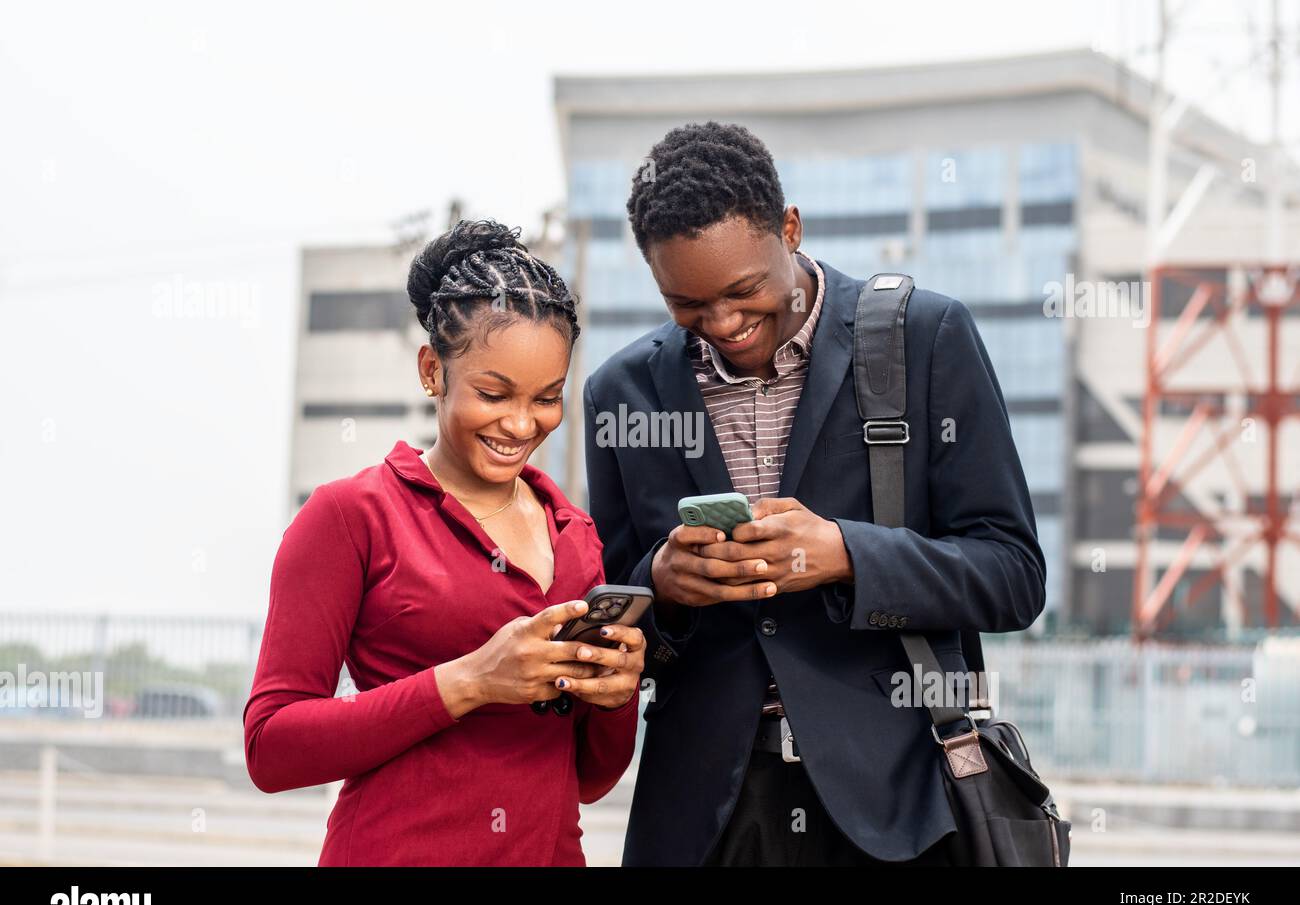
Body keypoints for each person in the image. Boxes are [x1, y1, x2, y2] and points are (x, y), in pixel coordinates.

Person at [583, 122, 1045, 866]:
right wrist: (663, 588)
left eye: (743, 292)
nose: (724, 324)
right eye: (689, 307)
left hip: (899, 808)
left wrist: (848, 556)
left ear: (790, 228)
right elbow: (613, 615)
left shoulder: (924, 339)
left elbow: (1014, 575)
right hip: (705, 821)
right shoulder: (621, 393)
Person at [244, 219, 644, 866]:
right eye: (493, 394)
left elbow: (592, 779)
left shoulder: (576, 536)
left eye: (548, 399)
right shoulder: (351, 516)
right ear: (433, 370)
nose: (521, 423)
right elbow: (271, 747)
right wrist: (469, 682)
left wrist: (616, 696)